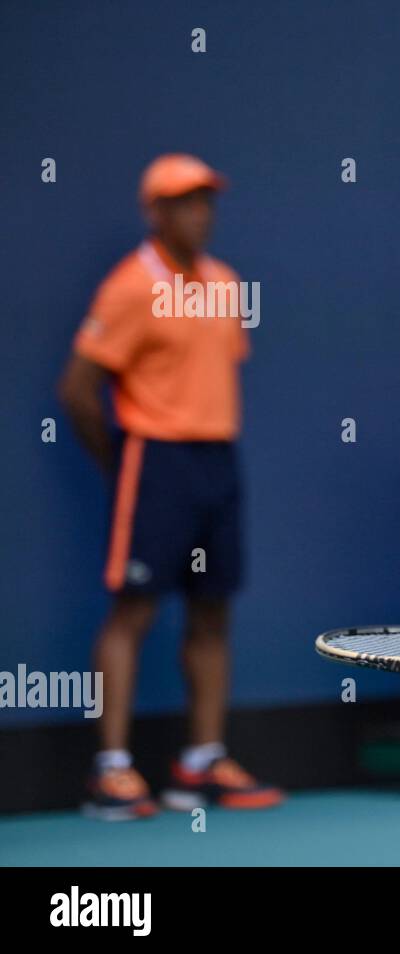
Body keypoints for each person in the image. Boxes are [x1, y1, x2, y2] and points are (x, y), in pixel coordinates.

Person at [58, 154, 283, 820]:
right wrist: (123, 459)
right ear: (154, 213)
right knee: (134, 610)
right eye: (184, 202)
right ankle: (113, 770)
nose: (200, 213)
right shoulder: (130, 286)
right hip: (154, 462)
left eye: (207, 201)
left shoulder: (224, 283)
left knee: (213, 610)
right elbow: (76, 389)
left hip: (217, 462)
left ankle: (202, 763)